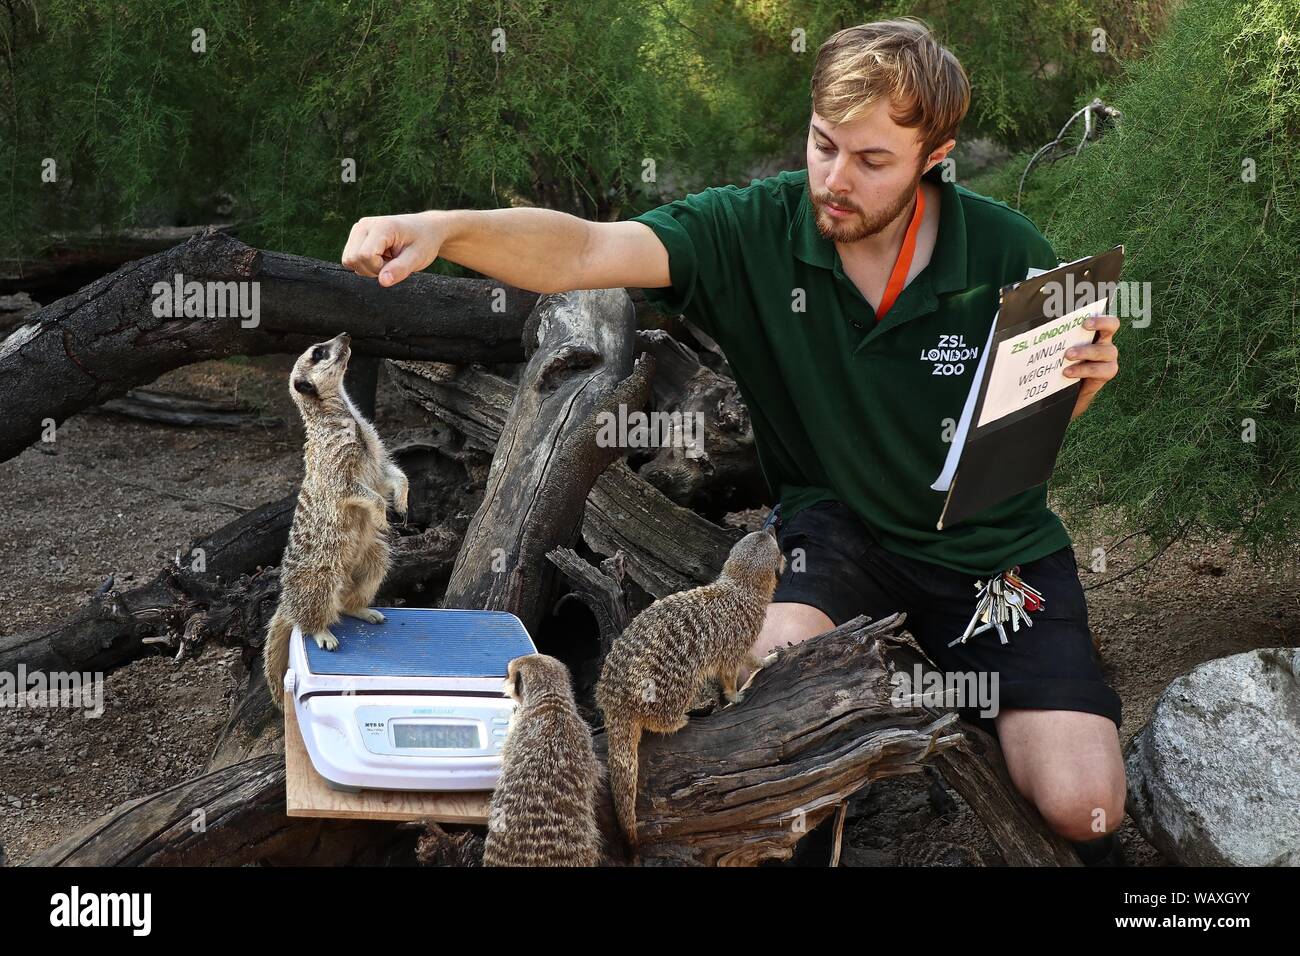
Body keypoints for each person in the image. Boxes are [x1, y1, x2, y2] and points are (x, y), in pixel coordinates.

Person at [340, 18, 1125, 866]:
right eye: (824, 145)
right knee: (762, 674)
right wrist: (442, 228)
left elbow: (1028, 428)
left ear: (936, 154)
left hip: (992, 552)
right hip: (840, 534)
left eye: (871, 162)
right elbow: (585, 248)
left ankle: (980, 697)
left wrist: (1079, 389)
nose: (834, 179)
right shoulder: (751, 228)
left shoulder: (1009, 251)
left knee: (1084, 806)